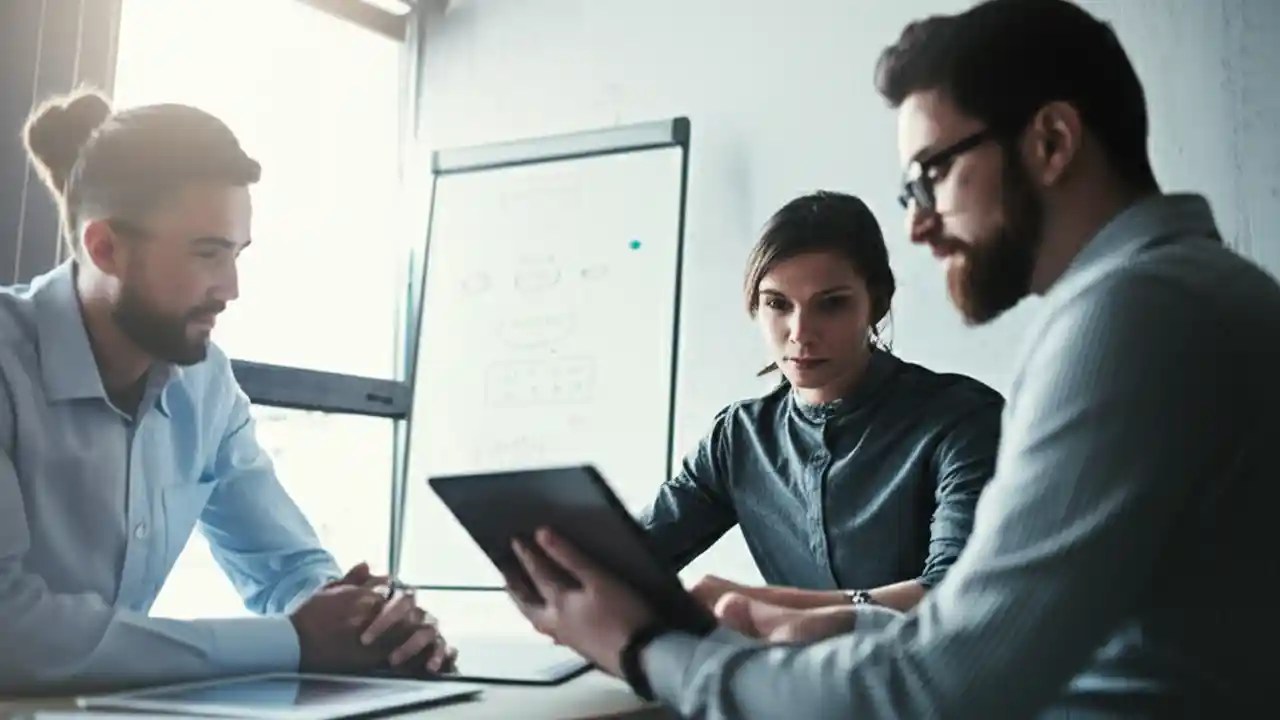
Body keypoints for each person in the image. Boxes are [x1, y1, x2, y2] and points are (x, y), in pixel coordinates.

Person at [501, 0, 1277, 716]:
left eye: (932, 174)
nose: (921, 226)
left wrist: (646, 650)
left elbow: (942, 682)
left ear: (1051, 141)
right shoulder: (1192, 292)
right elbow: (979, 646)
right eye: (914, 191)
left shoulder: (1130, 317)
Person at [0, 90, 455, 694]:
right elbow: (11, 629)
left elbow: (283, 565)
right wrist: (296, 639)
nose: (231, 288)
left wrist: (368, 624)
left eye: (237, 255)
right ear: (104, 247)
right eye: (207, 254)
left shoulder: (204, 381)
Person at [642, 191, 1002, 614]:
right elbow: (632, 559)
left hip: (941, 676)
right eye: (777, 304)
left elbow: (955, 593)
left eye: (830, 304)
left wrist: (773, 606)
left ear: (877, 302)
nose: (800, 332)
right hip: (797, 676)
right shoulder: (738, 438)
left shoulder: (963, 420)